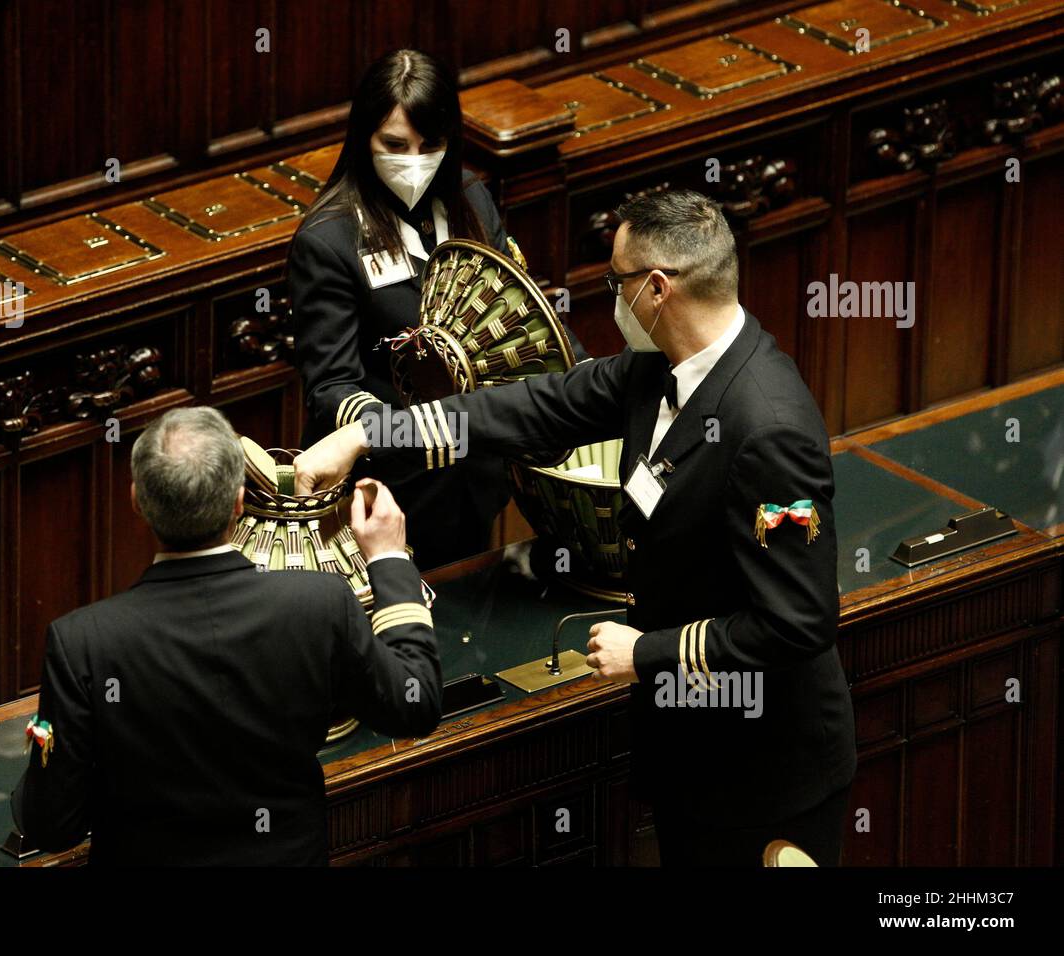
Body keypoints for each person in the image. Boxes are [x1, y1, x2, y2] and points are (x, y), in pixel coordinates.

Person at [294, 190, 857, 867]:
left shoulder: (768, 430)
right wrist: (366, 433)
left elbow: (799, 622)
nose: (610, 298)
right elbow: (528, 409)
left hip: (766, 774)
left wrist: (646, 653)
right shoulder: (658, 371)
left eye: (615, 282)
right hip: (698, 757)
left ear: (656, 290)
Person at [10, 406, 441, 865]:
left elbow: (50, 825)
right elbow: (416, 708)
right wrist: (390, 561)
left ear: (137, 501)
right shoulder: (320, 603)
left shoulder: (82, 643)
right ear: (239, 500)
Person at [286, 47, 587, 572]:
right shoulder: (328, 240)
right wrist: (399, 434)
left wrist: (582, 376)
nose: (414, 160)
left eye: (432, 145)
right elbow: (330, 387)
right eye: (395, 145)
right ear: (365, 138)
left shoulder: (471, 198)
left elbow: (514, 308)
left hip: (475, 472)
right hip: (389, 487)